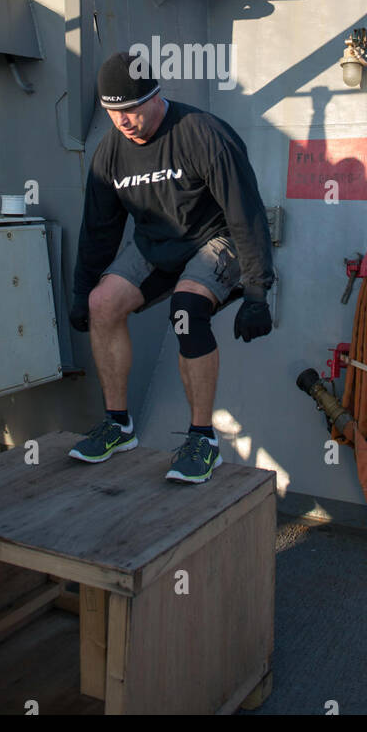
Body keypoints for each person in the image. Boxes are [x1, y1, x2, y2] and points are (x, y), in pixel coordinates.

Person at [68, 50, 274, 483]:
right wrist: (80, 290)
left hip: (217, 237)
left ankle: (203, 438)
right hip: (156, 243)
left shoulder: (202, 133)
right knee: (102, 303)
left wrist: (257, 290)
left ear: (155, 97)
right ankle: (118, 425)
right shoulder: (110, 152)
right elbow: (98, 230)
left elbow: (246, 212)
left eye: (131, 109)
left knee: (185, 311)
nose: (123, 121)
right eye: (112, 112)